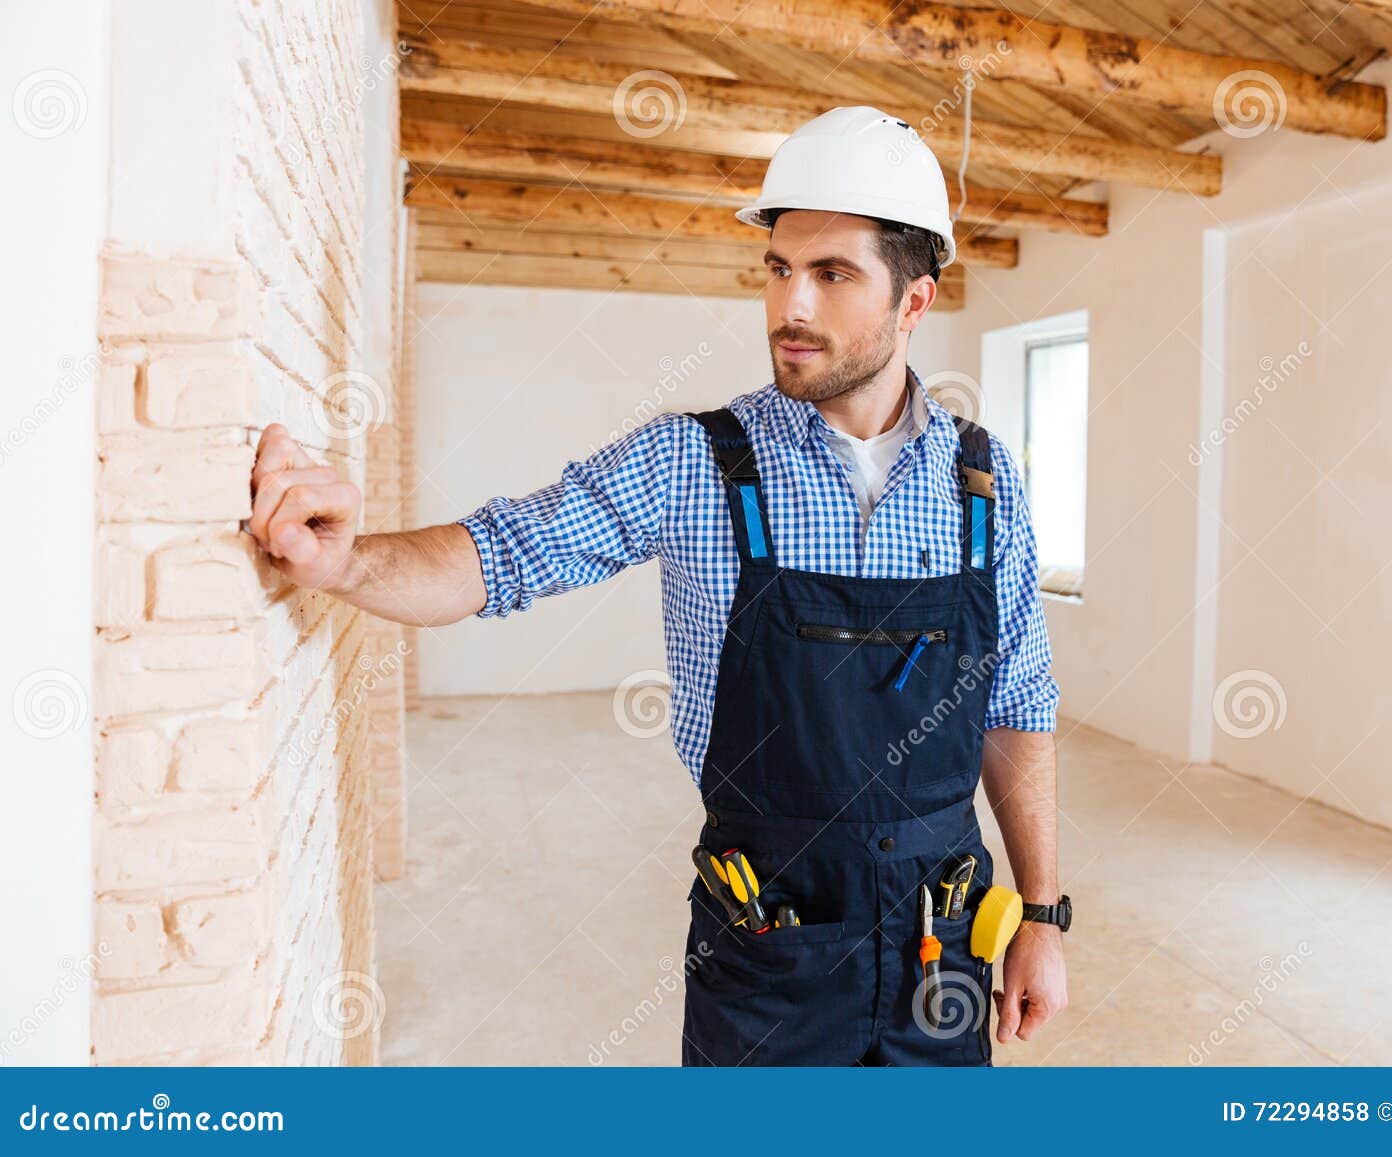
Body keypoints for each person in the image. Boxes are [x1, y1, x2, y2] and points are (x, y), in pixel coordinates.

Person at [247, 106, 1069, 1066]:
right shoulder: (697, 463)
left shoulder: (984, 482)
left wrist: (1044, 914)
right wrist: (347, 561)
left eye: (832, 274)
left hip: (944, 940)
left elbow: (1017, 707)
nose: (788, 305)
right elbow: (503, 554)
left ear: (915, 302)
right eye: (777, 267)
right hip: (768, 939)